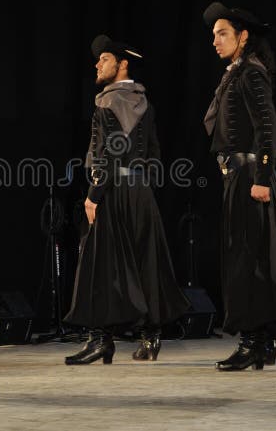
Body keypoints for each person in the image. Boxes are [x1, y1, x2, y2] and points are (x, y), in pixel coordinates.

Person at [62, 34, 190, 365]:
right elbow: (154, 153)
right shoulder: (144, 103)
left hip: (112, 190)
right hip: (140, 192)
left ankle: (99, 340)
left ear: (122, 65)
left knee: (98, 264)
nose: (97, 64)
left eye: (104, 59)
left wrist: (93, 195)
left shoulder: (107, 103)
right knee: (144, 261)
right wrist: (142, 186)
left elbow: (109, 153)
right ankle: (151, 338)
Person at [201, 2, 276, 371]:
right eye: (214, 35)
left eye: (222, 34)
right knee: (248, 259)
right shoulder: (236, 73)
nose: (215, 41)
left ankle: (253, 341)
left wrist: (261, 178)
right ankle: (261, 341)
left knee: (251, 260)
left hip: (250, 178)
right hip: (239, 177)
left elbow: (268, 127)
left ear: (243, 36)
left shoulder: (250, 72)